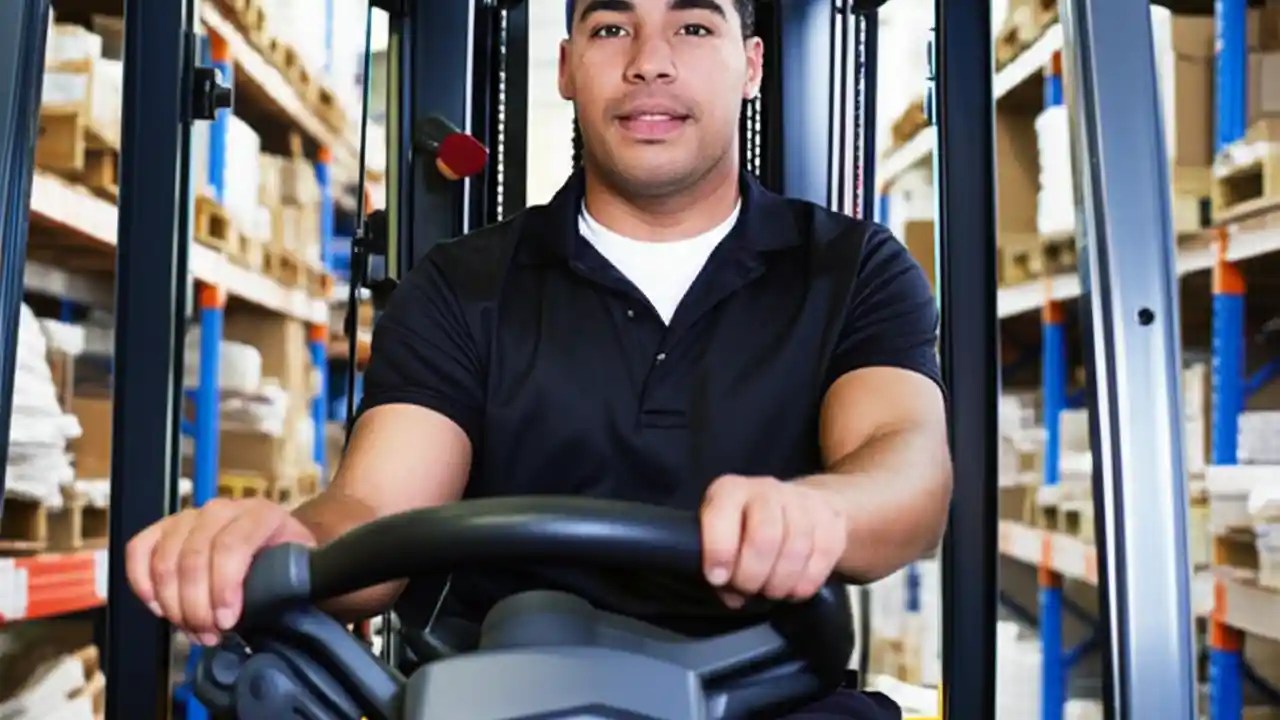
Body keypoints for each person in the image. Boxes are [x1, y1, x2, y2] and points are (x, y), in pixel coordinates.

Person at [126, 0, 952, 716]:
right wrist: (282, 543)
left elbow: (906, 466)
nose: (649, 62)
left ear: (752, 65)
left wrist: (822, 512)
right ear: (566, 66)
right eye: (610, 27)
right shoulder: (462, 284)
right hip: (490, 689)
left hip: (768, 696)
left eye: (693, 26)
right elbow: (376, 507)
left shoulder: (850, 269)